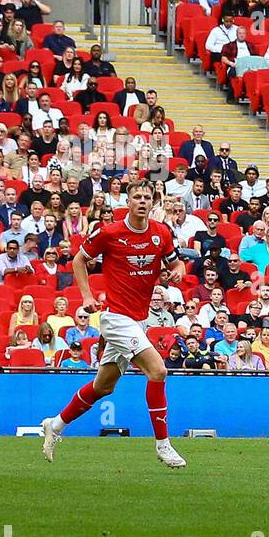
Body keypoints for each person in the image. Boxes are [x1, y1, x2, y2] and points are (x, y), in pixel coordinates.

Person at [39, 180, 188, 469]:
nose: (142, 201)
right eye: (137, 197)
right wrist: (86, 296)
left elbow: (176, 263)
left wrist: (178, 273)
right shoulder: (110, 233)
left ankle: (54, 426)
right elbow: (79, 260)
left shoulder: (161, 233)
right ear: (128, 202)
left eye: (147, 197)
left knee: (103, 386)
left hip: (139, 320)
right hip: (116, 318)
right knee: (158, 371)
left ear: (152, 202)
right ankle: (163, 445)